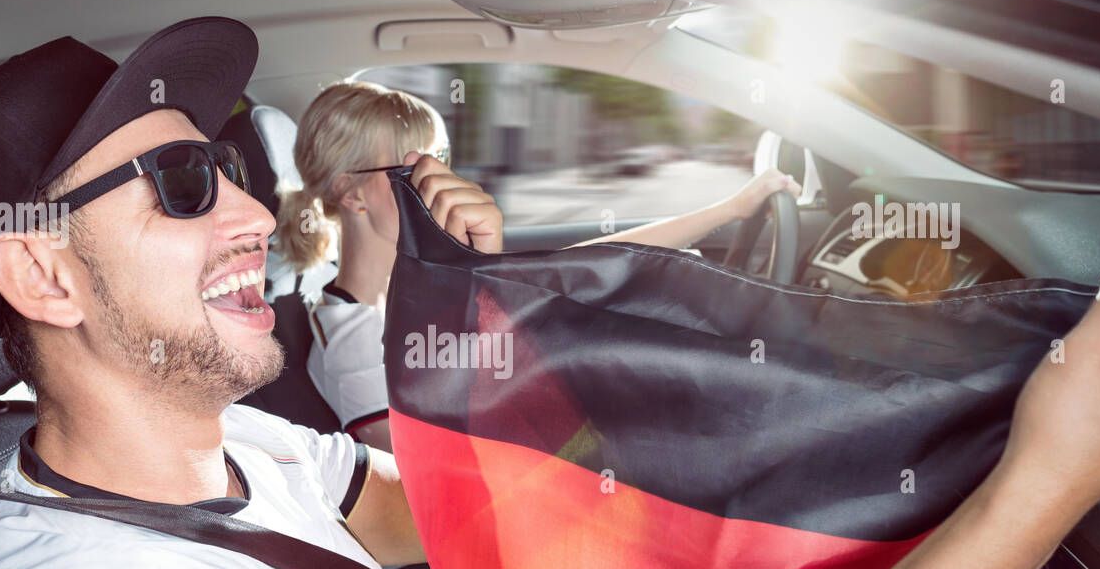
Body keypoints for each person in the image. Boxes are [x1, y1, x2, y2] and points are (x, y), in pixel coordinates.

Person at [0, 17, 1100, 569]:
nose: (248, 214)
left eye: (229, 168)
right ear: (39, 273)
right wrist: (1038, 489)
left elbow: (513, 496)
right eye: (182, 188)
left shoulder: (246, 445)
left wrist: (490, 305)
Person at [277, 79, 799, 452]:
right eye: (412, 169)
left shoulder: (405, 291)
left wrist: (730, 209)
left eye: (441, 160)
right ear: (353, 195)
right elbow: (445, 473)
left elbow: (588, 263)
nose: (439, 180)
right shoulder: (352, 344)